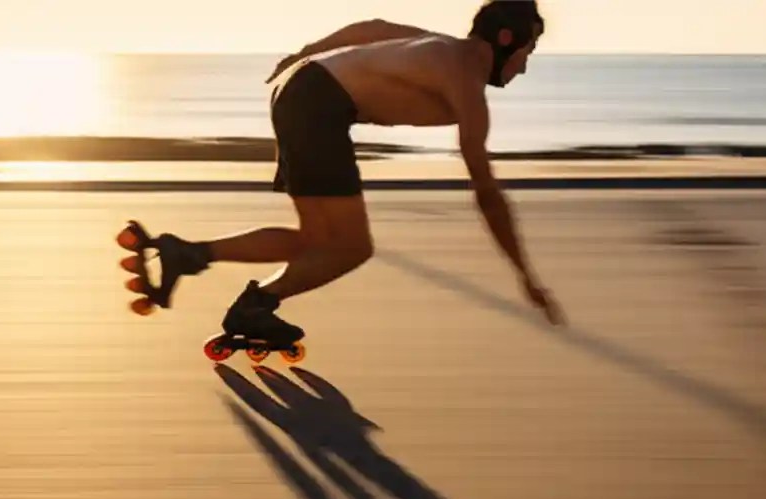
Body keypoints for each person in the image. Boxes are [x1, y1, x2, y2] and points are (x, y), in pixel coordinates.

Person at [121, 0, 566, 346]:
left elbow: (373, 29)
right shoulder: (466, 78)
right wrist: (524, 273)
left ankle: (193, 259)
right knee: (353, 248)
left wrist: (303, 55)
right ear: (507, 38)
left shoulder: (438, 47)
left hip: (301, 92)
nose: (524, 65)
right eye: (528, 51)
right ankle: (251, 303)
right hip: (319, 104)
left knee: (316, 239)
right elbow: (485, 190)